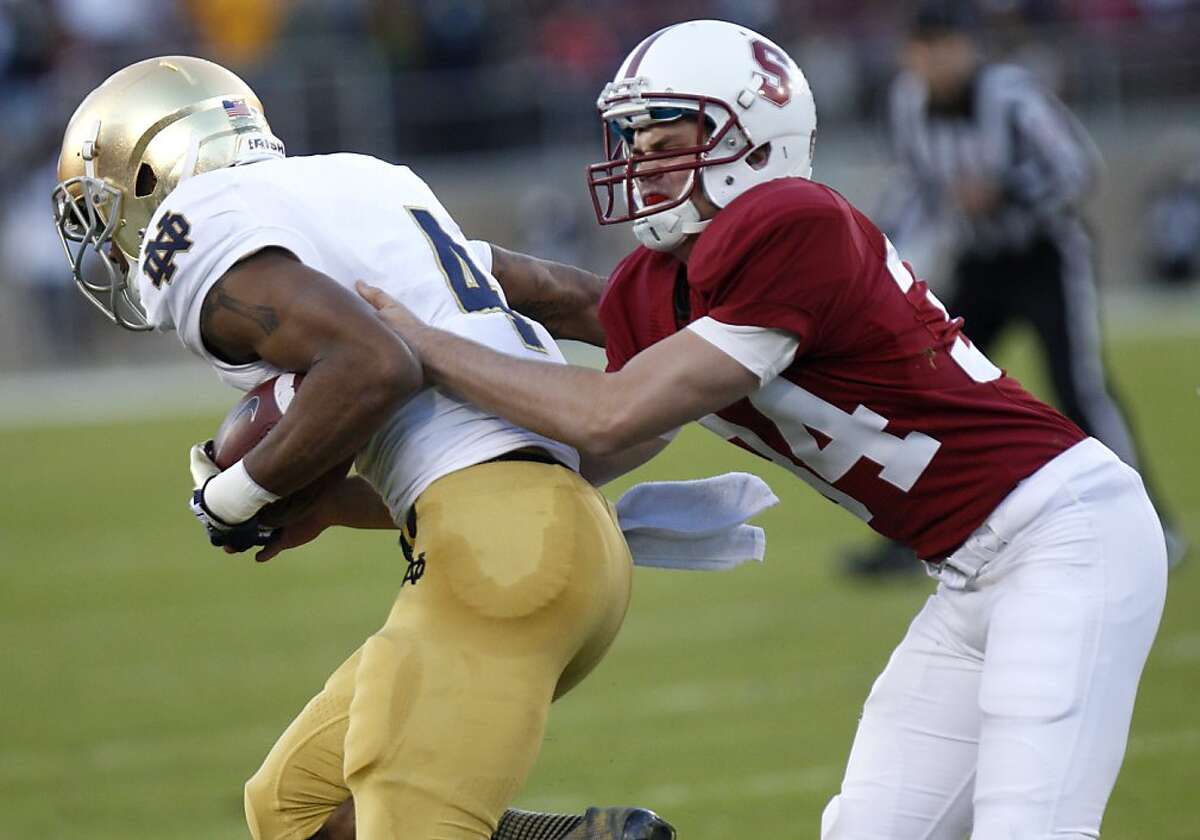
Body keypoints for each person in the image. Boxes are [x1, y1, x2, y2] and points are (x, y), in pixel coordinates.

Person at [354, 20, 1168, 839]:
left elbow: (608, 413)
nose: (641, 166)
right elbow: (569, 416)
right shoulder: (668, 280)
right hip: (967, 575)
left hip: (1065, 535)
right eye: (634, 144)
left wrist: (422, 343)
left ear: (752, 138)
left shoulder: (792, 223)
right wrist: (350, 491)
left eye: (665, 144)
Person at [52, 56, 673, 840]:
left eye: (103, 209)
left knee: (408, 822)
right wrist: (332, 501)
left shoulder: (195, 225)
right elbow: (568, 299)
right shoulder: (364, 181)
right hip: (553, 539)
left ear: (151, 174)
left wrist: (236, 496)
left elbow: (377, 364)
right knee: (295, 811)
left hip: (503, 556)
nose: (110, 245)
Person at [860, 0, 1186, 576]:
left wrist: (1006, 191)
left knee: (1079, 389)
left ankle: (1152, 525)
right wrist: (883, 254)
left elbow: (1078, 169)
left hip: (1044, 256)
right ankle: (916, 536)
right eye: (924, 48)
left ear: (969, 47)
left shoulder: (1010, 96)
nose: (936, 60)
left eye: (946, 46)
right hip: (979, 260)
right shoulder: (907, 103)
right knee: (927, 386)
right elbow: (916, 188)